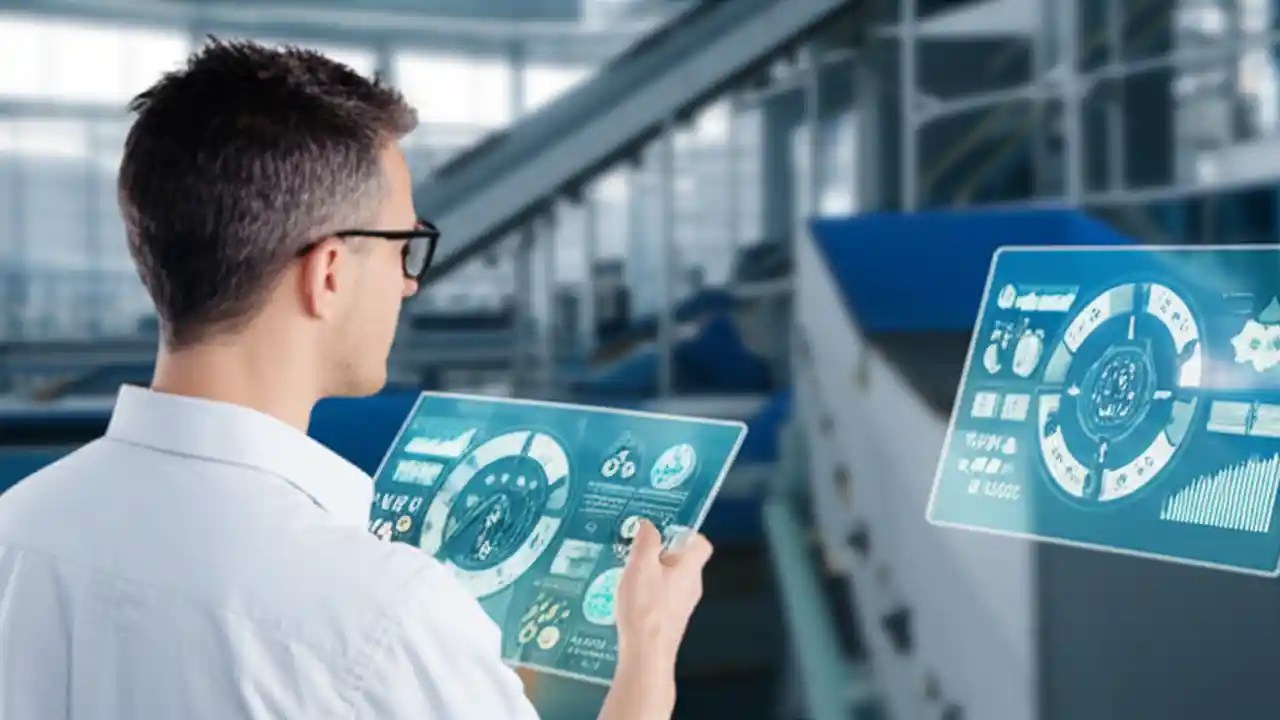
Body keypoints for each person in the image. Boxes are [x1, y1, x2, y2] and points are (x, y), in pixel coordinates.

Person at [0, 40, 712, 719]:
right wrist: (648, 651)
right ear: (330, 273)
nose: (407, 286)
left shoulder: (16, 532)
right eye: (405, 249)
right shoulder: (384, 616)